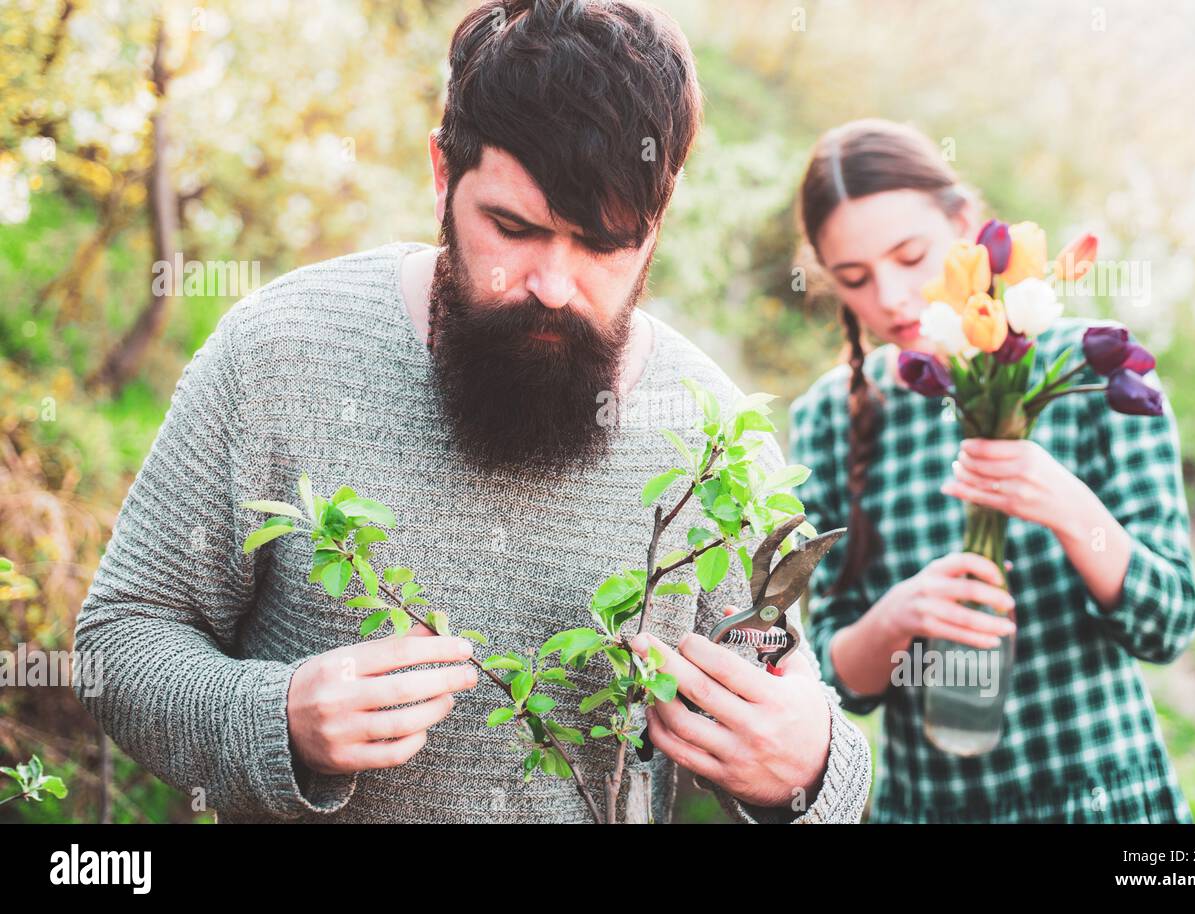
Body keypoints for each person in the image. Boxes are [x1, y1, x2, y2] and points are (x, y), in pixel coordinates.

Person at [72, 0, 871, 824]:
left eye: (603, 245)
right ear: (442, 173)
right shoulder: (278, 351)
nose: (554, 286)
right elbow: (121, 638)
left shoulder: (715, 441)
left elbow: (800, 730)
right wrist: (276, 719)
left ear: (657, 223)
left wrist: (802, 772)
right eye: (513, 227)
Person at [788, 118, 1195, 823]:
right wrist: (898, 618)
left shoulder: (1090, 370)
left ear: (968, 226)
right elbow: (836, 683)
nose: (889, 297)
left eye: (912, 256)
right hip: (934, 807)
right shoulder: (828, 417)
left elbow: (1168, 624)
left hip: (1109, 805)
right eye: (854, 278)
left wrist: (1071, 509)